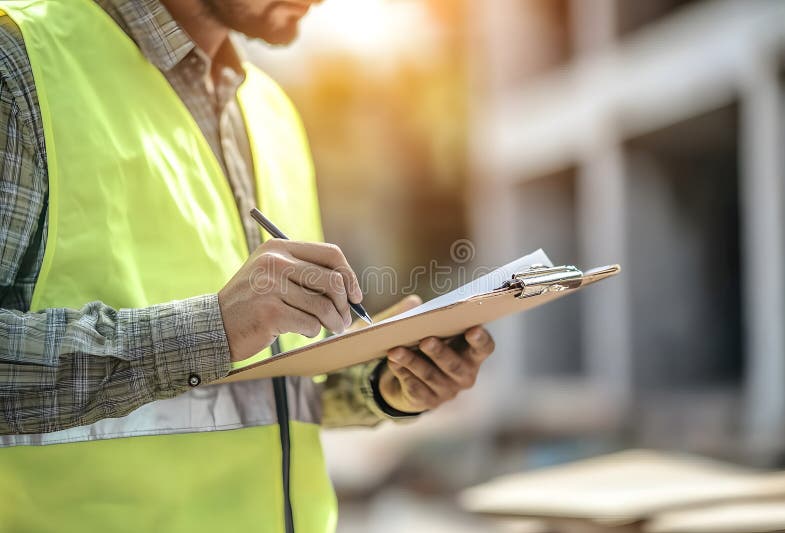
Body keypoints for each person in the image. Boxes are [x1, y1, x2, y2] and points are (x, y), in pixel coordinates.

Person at [0, 0, 496, 532]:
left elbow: (262, 390)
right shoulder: (21, 69)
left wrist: (383, 382)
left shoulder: (271, 109)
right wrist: (209, 330)